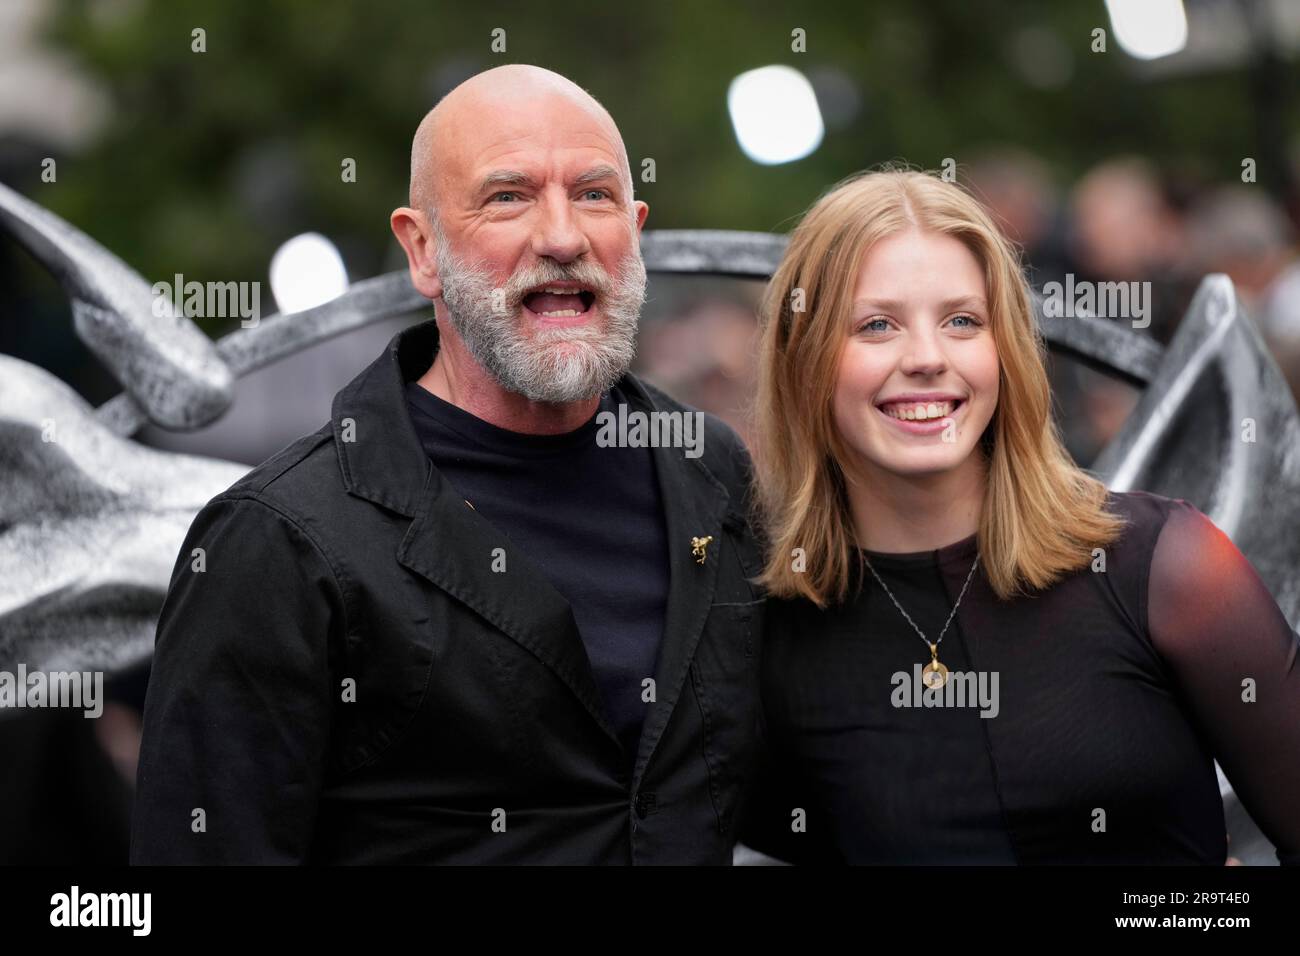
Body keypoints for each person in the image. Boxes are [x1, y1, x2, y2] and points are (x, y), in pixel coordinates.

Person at [130, 65, 765, 864]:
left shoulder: (709, 474)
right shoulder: (276, 542)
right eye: (508, 196)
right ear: (422, 249)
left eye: (594, 195)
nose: (563, 237)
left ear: (634, 229)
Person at [738, 169, 1300, 865]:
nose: (926, 359)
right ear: (805, 358)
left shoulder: (1165, 566)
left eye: (962, 321)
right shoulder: (766, 626)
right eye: (876, 325)